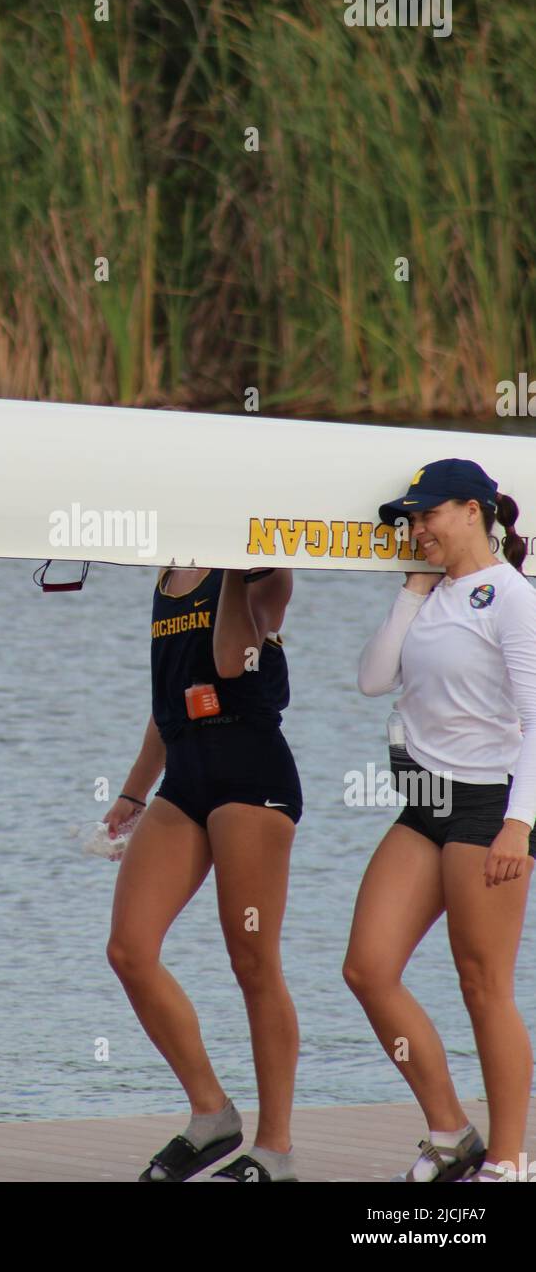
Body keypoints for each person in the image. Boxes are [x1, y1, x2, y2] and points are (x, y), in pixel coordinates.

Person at [345, 458, 536, 1183]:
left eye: (426, 515)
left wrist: (520, 824)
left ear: (472, 511)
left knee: (483, 982)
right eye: (409, 518)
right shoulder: (431, 593)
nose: (416, 528)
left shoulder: (512, 599)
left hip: (491, 805)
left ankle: (511, 1159)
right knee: (367, 967)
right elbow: (371, 679)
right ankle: (452, 1131)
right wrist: (412, 591)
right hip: (424, 804)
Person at [105, 562, 303, 1182]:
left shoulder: (262, 573)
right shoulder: (166, 576)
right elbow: (168, 700)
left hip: (251, 772)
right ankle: (212, 1112)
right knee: (129, 951)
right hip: (185, 778)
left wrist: (235, 574)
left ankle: (275, 1150)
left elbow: (229, 661)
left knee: (252, 961)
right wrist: (134, 794)